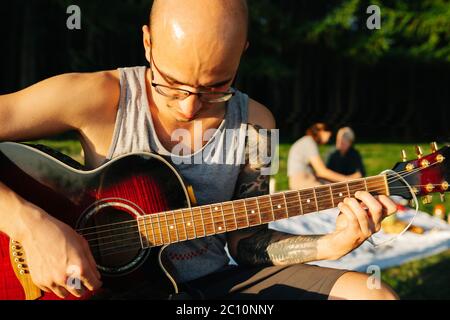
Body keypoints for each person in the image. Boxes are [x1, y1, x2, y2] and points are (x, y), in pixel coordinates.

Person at [0, 0, 398, 300]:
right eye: (171, 83)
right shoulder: (96, 97)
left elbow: (247, 243)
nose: (189, 105)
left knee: (372, 294)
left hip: (214, 289)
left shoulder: (258, 125)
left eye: (215, 87)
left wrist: (328, 245)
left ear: (242, 50)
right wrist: (29, 225)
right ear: (147, 42)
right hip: (107, 290)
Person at [288, 123, 361, 190]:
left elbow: (318, 174)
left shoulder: (306, 142)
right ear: (320, 131)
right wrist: (348, 180)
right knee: (332, 193)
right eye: (328, 132)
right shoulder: (309, 142)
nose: (329, 136)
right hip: (302, 182)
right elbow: (322, 172)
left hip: (306, 180)